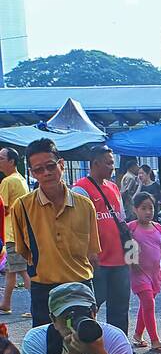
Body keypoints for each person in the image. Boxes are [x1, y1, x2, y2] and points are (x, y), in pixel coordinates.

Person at [10, 139, 101, 327]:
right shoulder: (22, 207)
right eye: (38, 170)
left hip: (80, 285)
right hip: (43, 288)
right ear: (32, 173)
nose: (46, 173)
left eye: (51, 166)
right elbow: (23, 250)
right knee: (48, 345)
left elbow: (92, 253)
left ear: (61, 164)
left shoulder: (85, 205)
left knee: (85, 345)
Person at [74, 145, 131, 336]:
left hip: (120, 259)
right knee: (92, 305)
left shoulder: (114, 187)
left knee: (120, 307)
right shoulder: (80, 189)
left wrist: (132, 253)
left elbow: (121, 220)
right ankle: (87, 344)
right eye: (109, 163)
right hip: (96, 261)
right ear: (95, 164)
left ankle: (119, 344)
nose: (112, 167)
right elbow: (78, 226)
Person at [128, 191, 161, 352]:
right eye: (143, 208)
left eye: (151, 208)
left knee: (146, 305)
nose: (148, 212)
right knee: (148, 303)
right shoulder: (130, 228)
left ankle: (137, 335)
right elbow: (126, 249)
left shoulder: (160, 229)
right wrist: (131, 262)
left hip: (156, 274)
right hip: (138, 274)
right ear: (135, 209)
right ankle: (155, 340)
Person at [0, 147, 31, 318]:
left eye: (1, 158)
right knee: (13, 270)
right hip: (18, 231)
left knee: (21, 270)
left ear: (11, 161)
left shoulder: (8, 182)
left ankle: (36, 306)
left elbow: (2, 209)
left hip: (12, 232)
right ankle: (6, 304)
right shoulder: (20, 179)